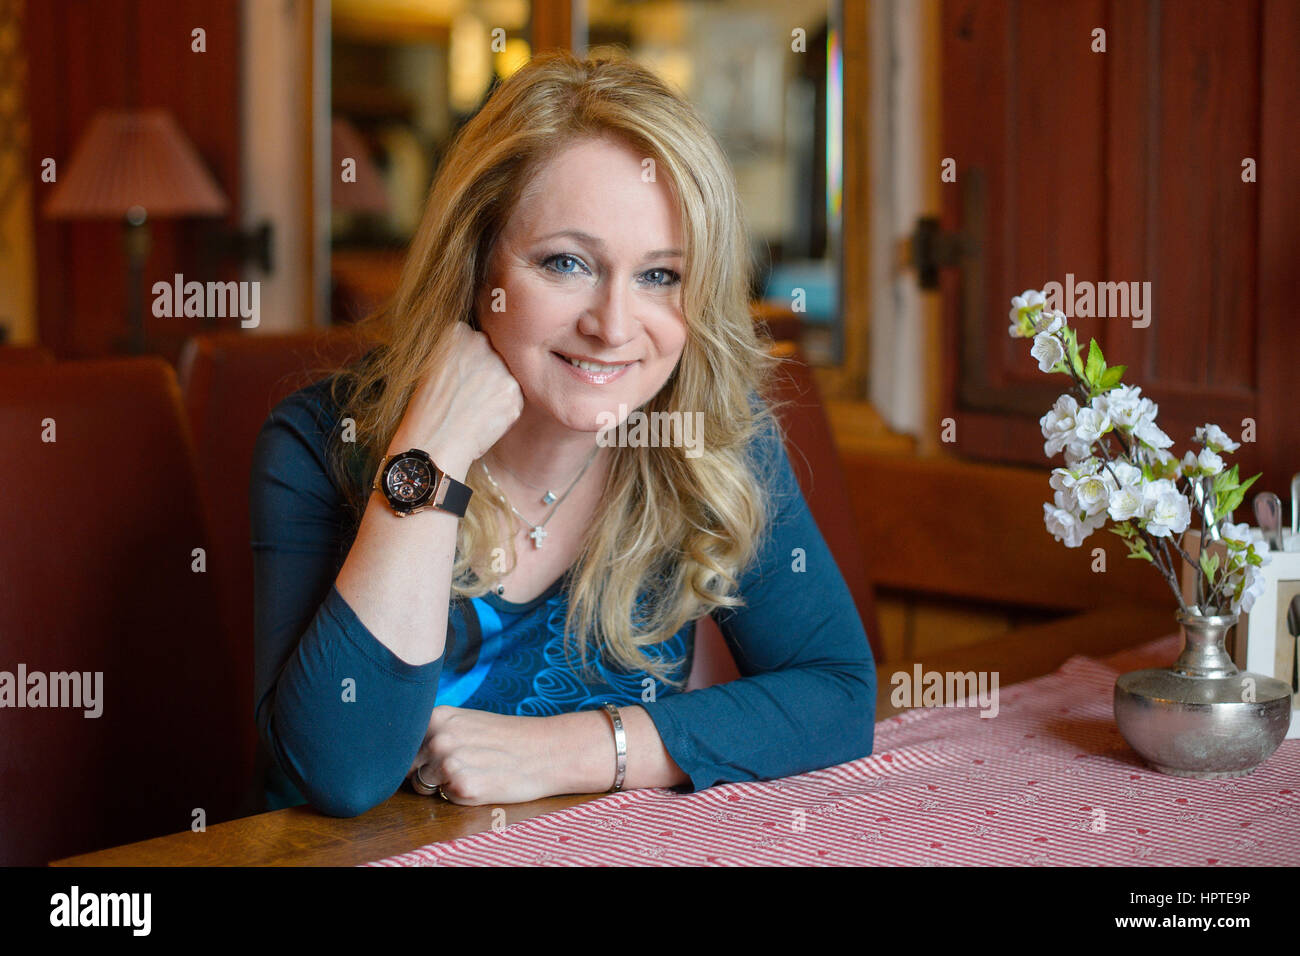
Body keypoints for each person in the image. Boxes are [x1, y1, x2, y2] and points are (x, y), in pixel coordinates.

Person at [250, 50, 875, 817]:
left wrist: (581, 749)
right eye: (567, 263)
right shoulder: (320, 443)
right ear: (477, 264)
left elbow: (838, 696)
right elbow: (336, 773)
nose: (613, 326)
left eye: (660, 276)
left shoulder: (707, 438)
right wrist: (430, 454)